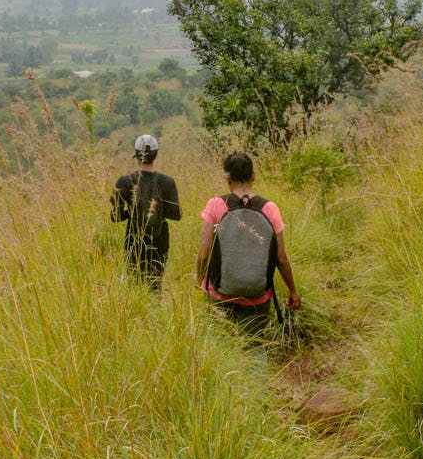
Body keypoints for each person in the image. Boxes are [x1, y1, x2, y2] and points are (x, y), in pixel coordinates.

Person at [196, 151, 301, 340]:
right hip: (257, 295)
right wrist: (292, 290)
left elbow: (204, 254)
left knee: (220, 345)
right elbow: (281, 258)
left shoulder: (215, 204)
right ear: (253, 176)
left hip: (219, 292)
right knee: (254, 346)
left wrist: (200, 281)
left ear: (228, 179)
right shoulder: (270, 208)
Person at [110, 134, 181, 291]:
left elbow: (114, 217)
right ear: (156, 155)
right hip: (160, 242)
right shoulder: (167, 182)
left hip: (133, 242)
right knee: (155, 286)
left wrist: (131, 212)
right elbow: (177, 215)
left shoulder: (124, 181)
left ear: (136, 154)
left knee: (133, 287)